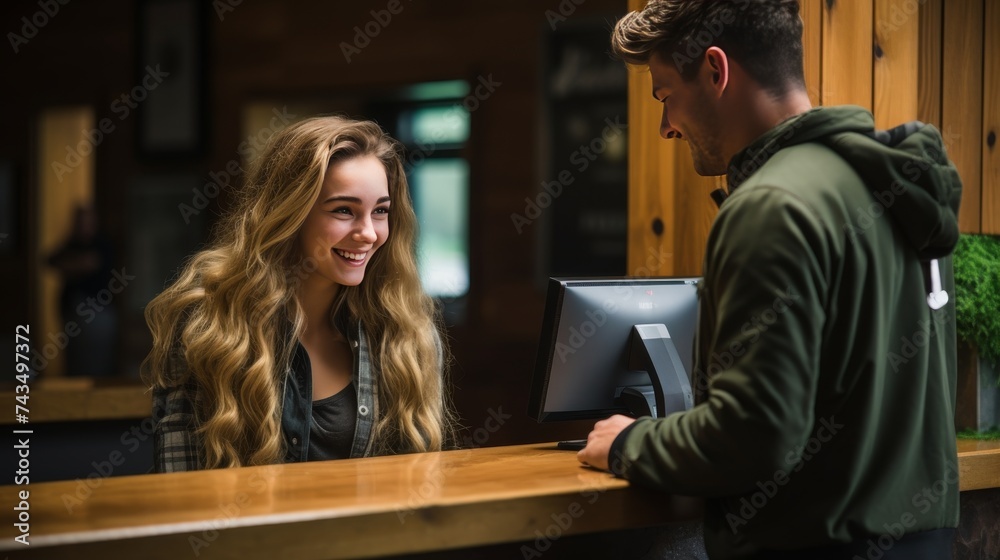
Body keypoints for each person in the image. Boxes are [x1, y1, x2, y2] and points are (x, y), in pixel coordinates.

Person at [577, 1, 962, 559]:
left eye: (665, 97)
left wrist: (628, 444)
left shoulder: (770, 205)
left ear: (715, 70)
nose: (665, 128)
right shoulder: (893, 188)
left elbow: (752, 438)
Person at [144, 116, 456, 471]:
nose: (368, 233)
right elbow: (181, 485)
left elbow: (418, 483)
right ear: (291, 212)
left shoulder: (405, 327)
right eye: (343, 210)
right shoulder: (207, 324)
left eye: (380, 211)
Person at [47, 204, 118, 377]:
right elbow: (50, 260)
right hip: (71, 312)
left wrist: (71, 265)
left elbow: (90, 264)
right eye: (80, 221)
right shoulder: (71, 243)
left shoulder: (102, 244)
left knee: (95, 362)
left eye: (87, 221)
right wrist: (76, 264)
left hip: (97, 313)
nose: (83, 225)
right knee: (74, 360)